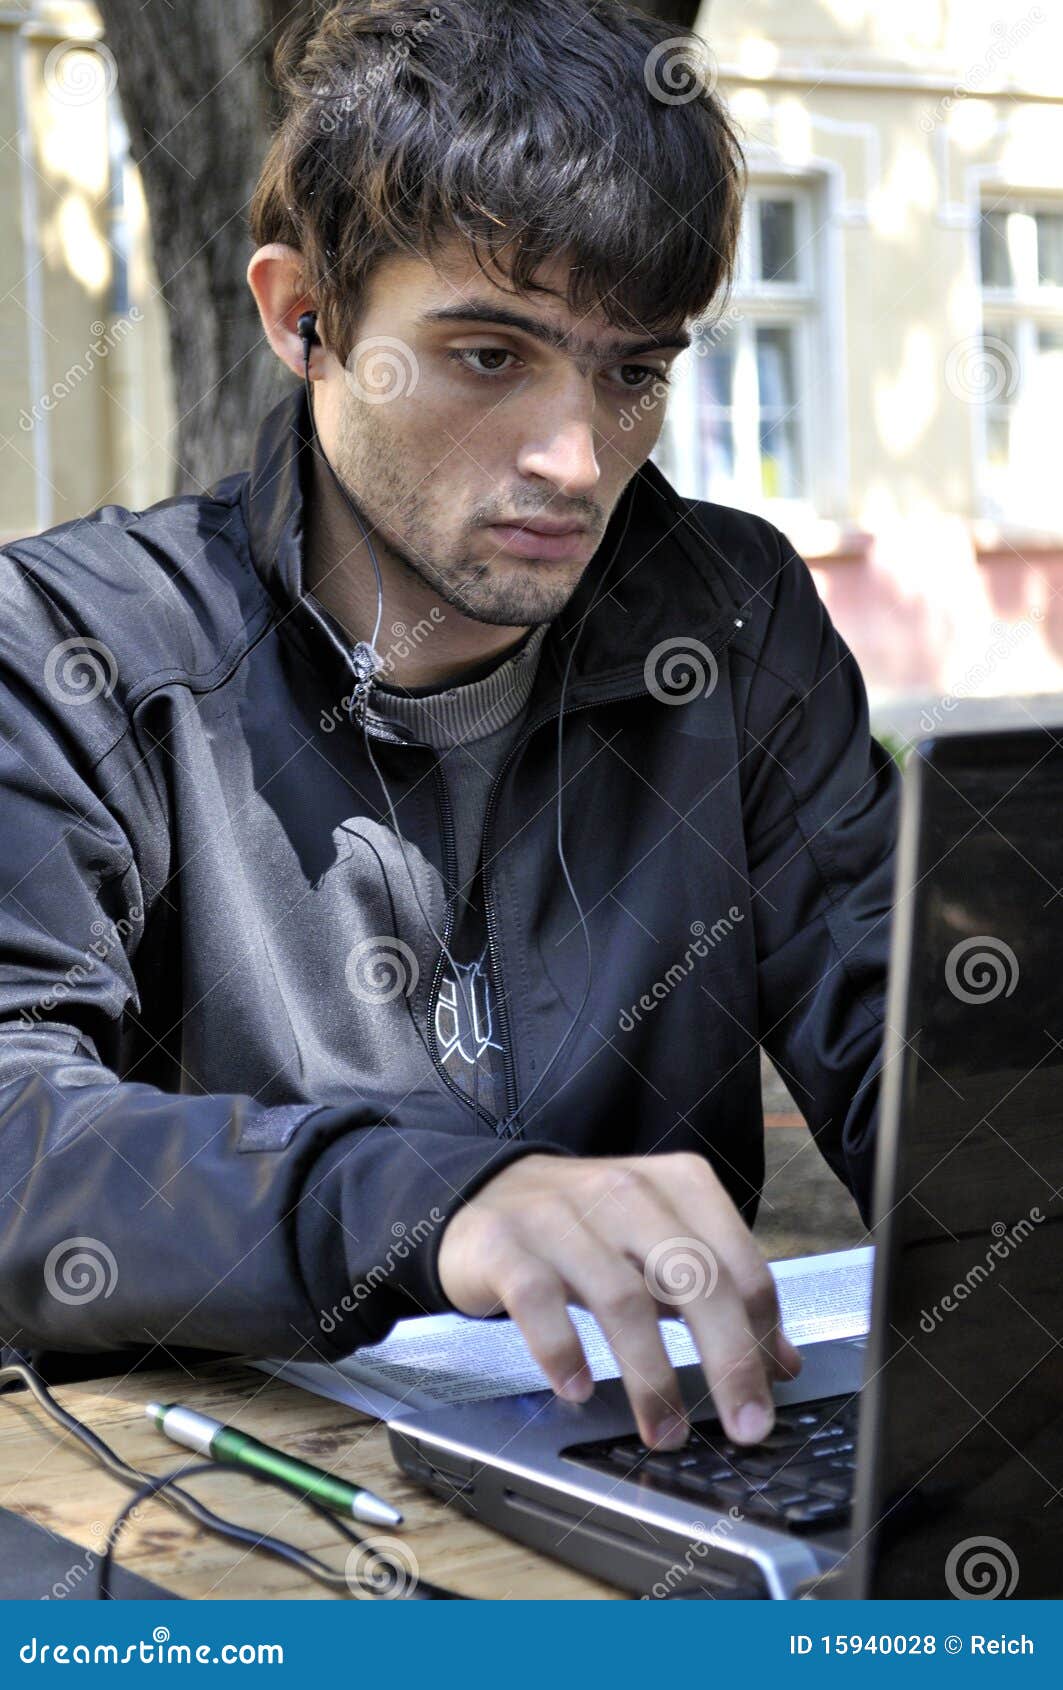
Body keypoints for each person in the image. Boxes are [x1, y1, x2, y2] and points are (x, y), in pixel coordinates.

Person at [0, 0, 898, 1455]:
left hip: (672, 1453)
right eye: (490, 354)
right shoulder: (72, 649)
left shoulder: (731, 627)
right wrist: (430, 1201)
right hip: (216, 1511)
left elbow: (917, 1047)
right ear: (304, 315)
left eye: (632, 372)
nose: (574, 456)